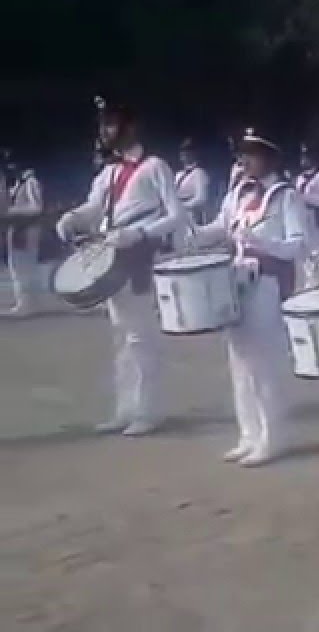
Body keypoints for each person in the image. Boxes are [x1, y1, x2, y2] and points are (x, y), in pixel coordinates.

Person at [56, 98, 185, 436]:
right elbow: (93, 208)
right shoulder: (110, 171)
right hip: (110, 254)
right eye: (103, 125)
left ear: (130, 127)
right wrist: (73, 219)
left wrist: (139, 232)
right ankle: (125, 408)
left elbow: (176, 216)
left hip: (139, 254)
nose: (105, 131)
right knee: (121, 336)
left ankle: (149, 410)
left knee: (142, 335)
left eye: (111, 124)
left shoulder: (155, 166)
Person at [188, 128, 307, 465]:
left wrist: (260, 242)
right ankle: (249, 434)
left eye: (251, 155)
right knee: (239, 360)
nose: (244, 161)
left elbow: (297, 244)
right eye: (242, 155)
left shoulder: (286, 196)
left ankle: (274, 435)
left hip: (268, 280)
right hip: (237, 281)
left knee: (264, 362)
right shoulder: (238, 192)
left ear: (268, 159)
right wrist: (192, 232)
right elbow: (221, 227)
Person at [4, 151, 47, 317]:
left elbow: (37, 207)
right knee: (17, 266)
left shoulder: (31, 182)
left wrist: (12, 212)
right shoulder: (17, 183)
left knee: (24, 267)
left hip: (27, 229)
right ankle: (25, 301)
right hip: (17, 228)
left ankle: (27, 304)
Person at [175, 139, 211, 226]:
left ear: (194, 154)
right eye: (182, 151)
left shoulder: (199, 173)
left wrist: (182, 206)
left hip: (192, 218)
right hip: (177, 217)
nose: (184, 154)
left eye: (188, 151)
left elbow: (201, 198)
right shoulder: (178, 175)